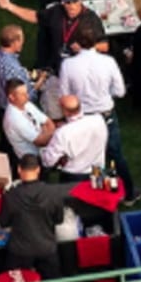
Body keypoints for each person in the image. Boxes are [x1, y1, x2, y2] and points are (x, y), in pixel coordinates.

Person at [59, 25, 130, 188]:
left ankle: (90, 190)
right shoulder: (108, 61)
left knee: (83, 156)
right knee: (115, 154)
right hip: (105, 114)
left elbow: (65, 95)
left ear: (77, 43)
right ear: (96, 42)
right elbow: (120, 91)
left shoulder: (68, 65)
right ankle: (128, 191)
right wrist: (104, 94)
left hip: (81, 117)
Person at [0, 0, 104, 72]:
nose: (71, 5)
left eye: (75, 1)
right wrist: (9, 6)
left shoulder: (91, 19)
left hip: (79, 67)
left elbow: (104, 45)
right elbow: (35, 16)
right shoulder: (56, 11)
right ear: (62, 1)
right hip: (55, 65)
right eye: (67, 2)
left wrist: (85, 49)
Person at [0, 156, 70, 282]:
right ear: (38, 170)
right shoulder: (52, 193)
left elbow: (3, 222)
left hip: (19, 251)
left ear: (19, 170)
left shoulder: (10, 196)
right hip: (47, 248)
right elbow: (59, 219)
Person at [41, 95, 108, 182]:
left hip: (73, 176)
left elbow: (48, 161)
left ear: (64, 111)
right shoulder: (99, 120)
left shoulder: (62, 133)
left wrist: (42, 151)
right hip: (97, 172)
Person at [0, 25, 35, 123]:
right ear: (14, 43)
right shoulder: (13, 68)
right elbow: (27, 95)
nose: (23, 42)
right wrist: (40, 81)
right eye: (21, 40)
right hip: (13, 111)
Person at [1, 77, 55, 158]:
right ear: (11, 97)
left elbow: (48, 122)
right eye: (23, 94)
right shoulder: (15, 119)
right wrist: (51, 133)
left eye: (26, 92)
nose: (27, 96)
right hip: (31, 158)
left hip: (40, 150)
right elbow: (41, 142)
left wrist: (46, 132)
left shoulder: (26, 104)